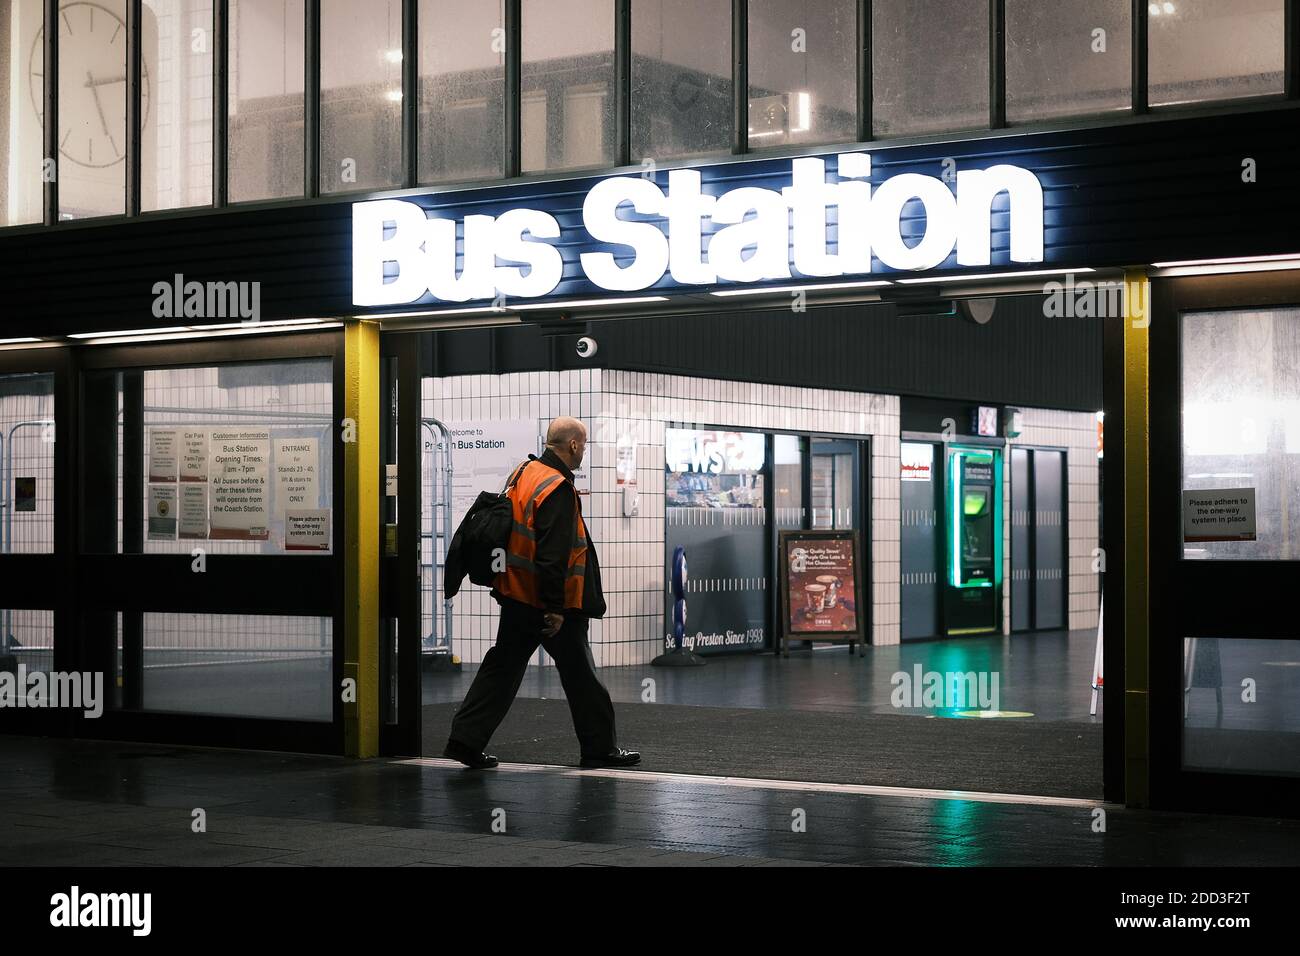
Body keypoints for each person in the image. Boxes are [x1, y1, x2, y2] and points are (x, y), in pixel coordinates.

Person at [443, 417, 640, 770]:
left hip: (516, 593)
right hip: (548, 604)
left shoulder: (524, 471)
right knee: (581, 675)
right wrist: (555, 608)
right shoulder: (557, 487)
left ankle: (465, 740)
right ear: (574, 445)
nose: (584, 451)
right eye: (584, 445)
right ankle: (599, 748)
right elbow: (553, 555)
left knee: (502, 667)